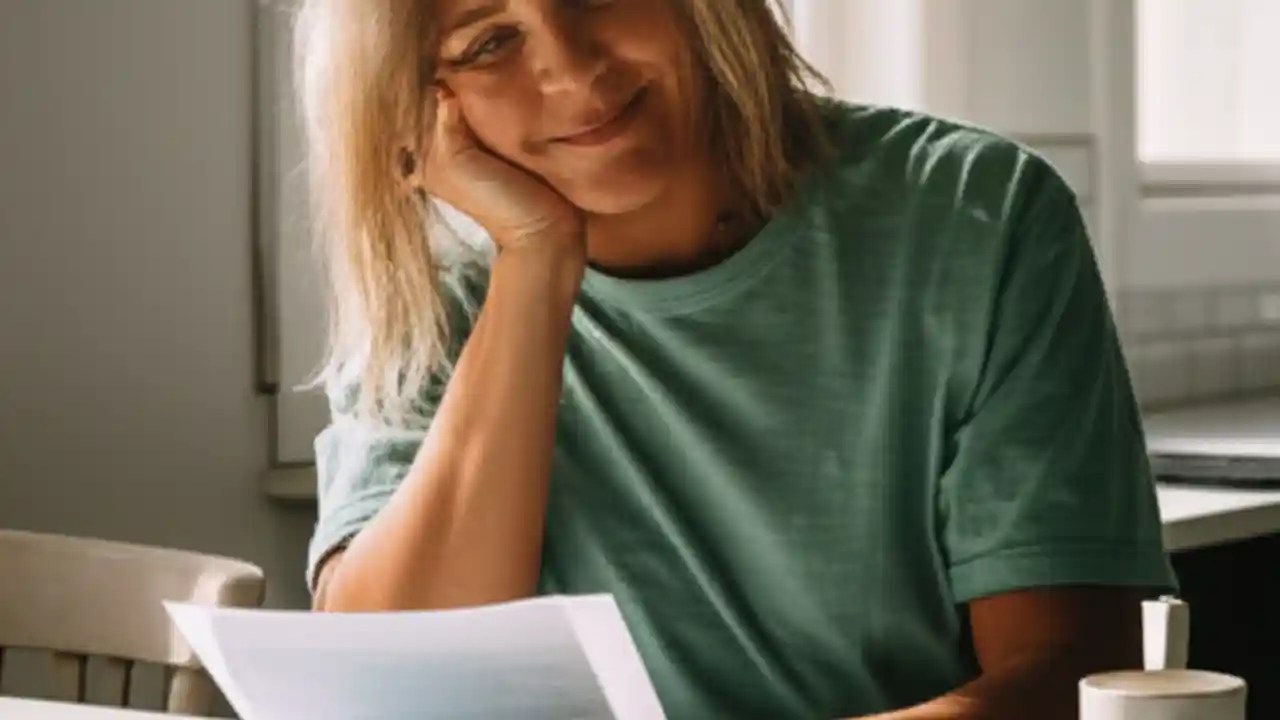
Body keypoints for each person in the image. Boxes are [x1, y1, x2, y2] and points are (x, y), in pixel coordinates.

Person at [298, 0, 1177, 717]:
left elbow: (1077, 674)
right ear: (417, 105)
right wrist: (535, 260)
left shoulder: (978, 217)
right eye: (489, 42)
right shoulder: (437, 292)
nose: (570, 66)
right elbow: (386, 683)